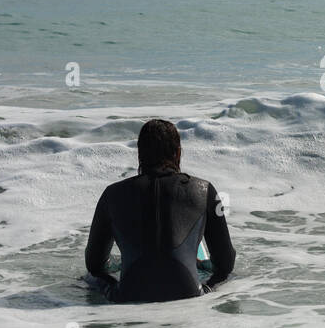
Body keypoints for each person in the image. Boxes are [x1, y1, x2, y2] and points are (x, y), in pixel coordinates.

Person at [85, 119, 235, 302]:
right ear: (178, 152)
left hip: (128, 296)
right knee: (227, 277)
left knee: (89, 277)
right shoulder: (205, 190)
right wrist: (204, 269)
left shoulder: (112, 194)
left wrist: (116, 265)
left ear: (139, 154)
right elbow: (226, 263)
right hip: (189, 296)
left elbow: (94, 264)